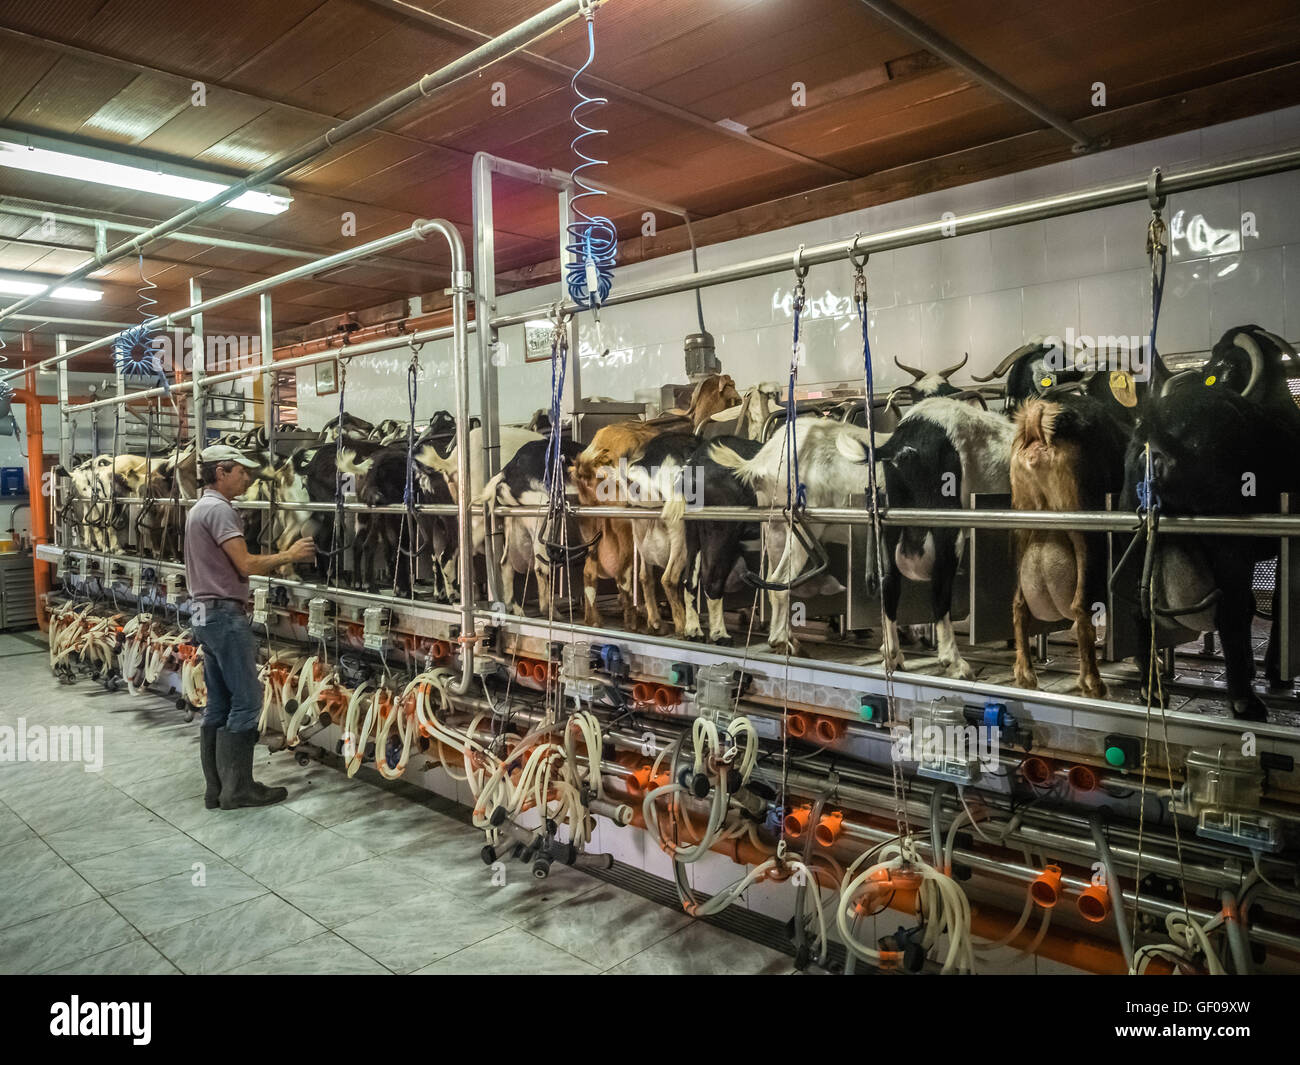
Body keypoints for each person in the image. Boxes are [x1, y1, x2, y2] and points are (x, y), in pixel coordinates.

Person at [184, 444, 315, 810]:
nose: (247, 477)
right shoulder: (220, 511)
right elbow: (245, 565)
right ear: (221, 471)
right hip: (224, 613)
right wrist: (290, 555)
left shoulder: (198, 509)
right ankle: (238, 790)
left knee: (219, 702)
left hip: (202, 612)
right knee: (247, 700)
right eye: (241, 470)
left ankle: (218, 790)